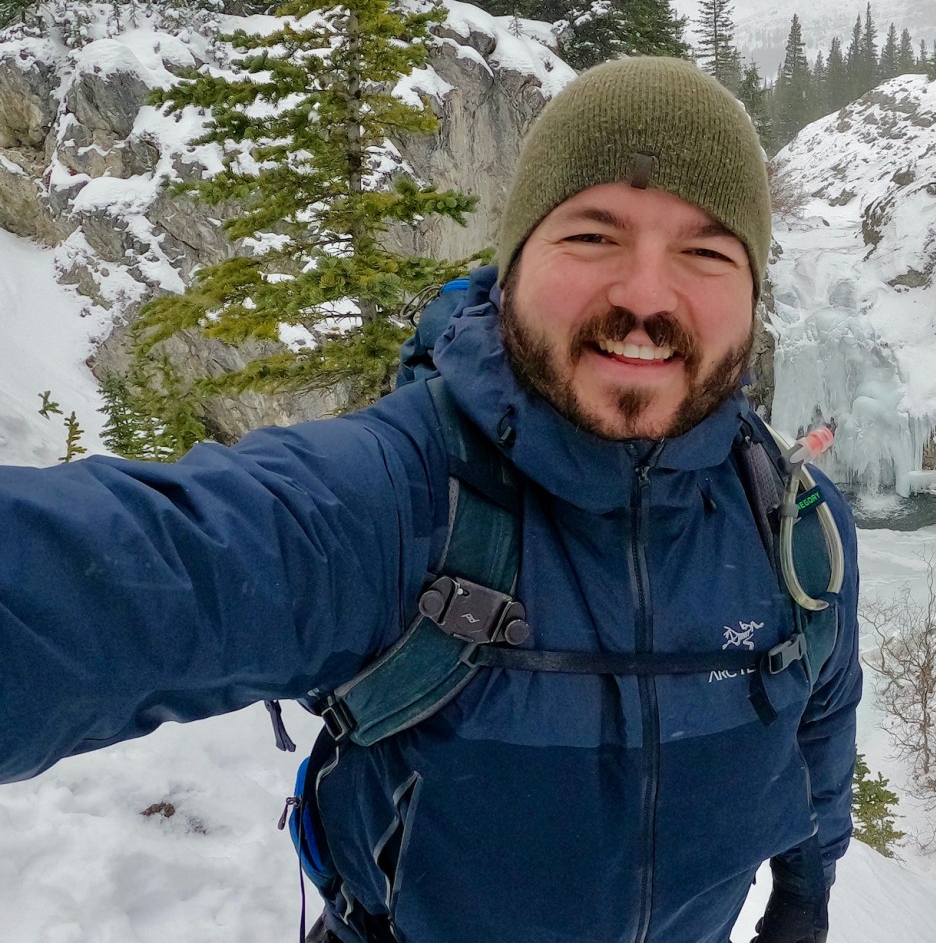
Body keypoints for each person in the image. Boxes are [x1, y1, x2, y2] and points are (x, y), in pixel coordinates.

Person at [0, 57, 861, 943]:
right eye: (592, 236)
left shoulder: (796, 530)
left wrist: (806, 891)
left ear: (754, 295)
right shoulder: (395, 501)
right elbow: (109, 577)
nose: (644, 295)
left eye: (707, 251)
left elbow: (821, 720)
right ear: (514, 265)